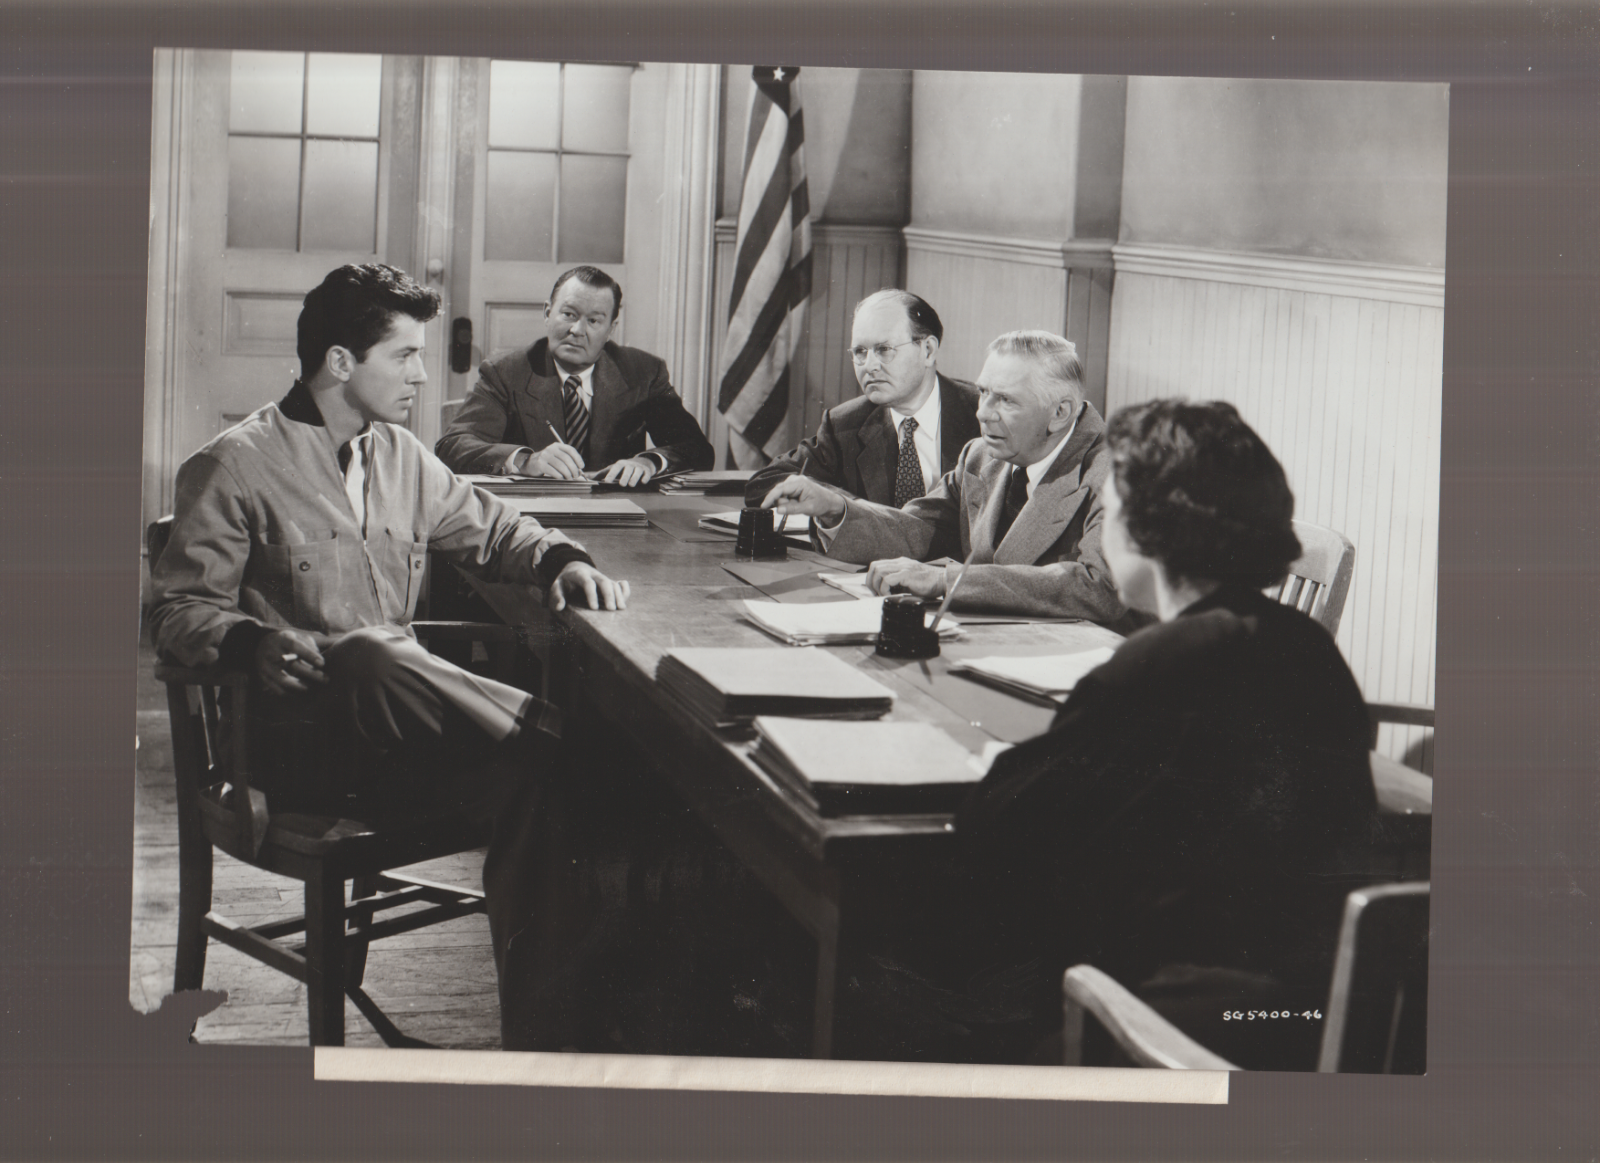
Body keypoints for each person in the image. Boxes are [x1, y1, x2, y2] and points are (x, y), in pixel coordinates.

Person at [147, 262, 631, 1052]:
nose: (421, 373)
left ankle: (543, 1051)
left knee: (538, 795)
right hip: (296, 748)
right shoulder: (235, 463)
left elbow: (495, 525)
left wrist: (560, 560)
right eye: (404, 355)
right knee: (374, 651)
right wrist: (253, 640)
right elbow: (177, 611)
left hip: (403, 739)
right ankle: (560, 737)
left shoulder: (403, 456)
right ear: (342, 362)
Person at [842, 399, 1380, 1069]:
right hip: (1308, 1002)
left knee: (877, 948)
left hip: (1163, 1018)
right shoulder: (1303, 645)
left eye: (1112, 509)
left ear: (1152, 532)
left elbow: (996, 825)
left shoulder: (1163, 665)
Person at [761, 330, 1127, 624]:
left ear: (1060, 412)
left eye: (1006, 400)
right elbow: (918, 530)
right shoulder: (982, 455)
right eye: (983, 393)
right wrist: (834, 508)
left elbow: (1100, 588)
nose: (983, 413)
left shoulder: (1120, 472)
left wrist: (947, 580)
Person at [435, 265, 714, 487]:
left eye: (593, 321)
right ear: (547, 313)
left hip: (617, 520)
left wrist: (649, 462)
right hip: (530, 520)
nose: (577, 330)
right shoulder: (505, 372)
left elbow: (697, 449)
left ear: (611, 329)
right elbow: (452, 446)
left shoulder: (643, 372)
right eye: (568, 314)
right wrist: (526, 461)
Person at [742, 289, 980, 509]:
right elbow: (763, 483)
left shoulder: (981, 414)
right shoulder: (845, 423)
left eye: (884, 349)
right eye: (860, 352)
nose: (870, 366)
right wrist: (841, 504)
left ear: (928, 350)